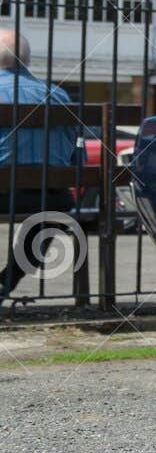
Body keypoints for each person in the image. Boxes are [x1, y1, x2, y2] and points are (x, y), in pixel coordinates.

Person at [1, 28, 83, 299]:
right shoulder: (58, 96)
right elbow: (76, 160)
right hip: (52, 198)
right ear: (26, 60)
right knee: (52, 207)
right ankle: (7, 281)